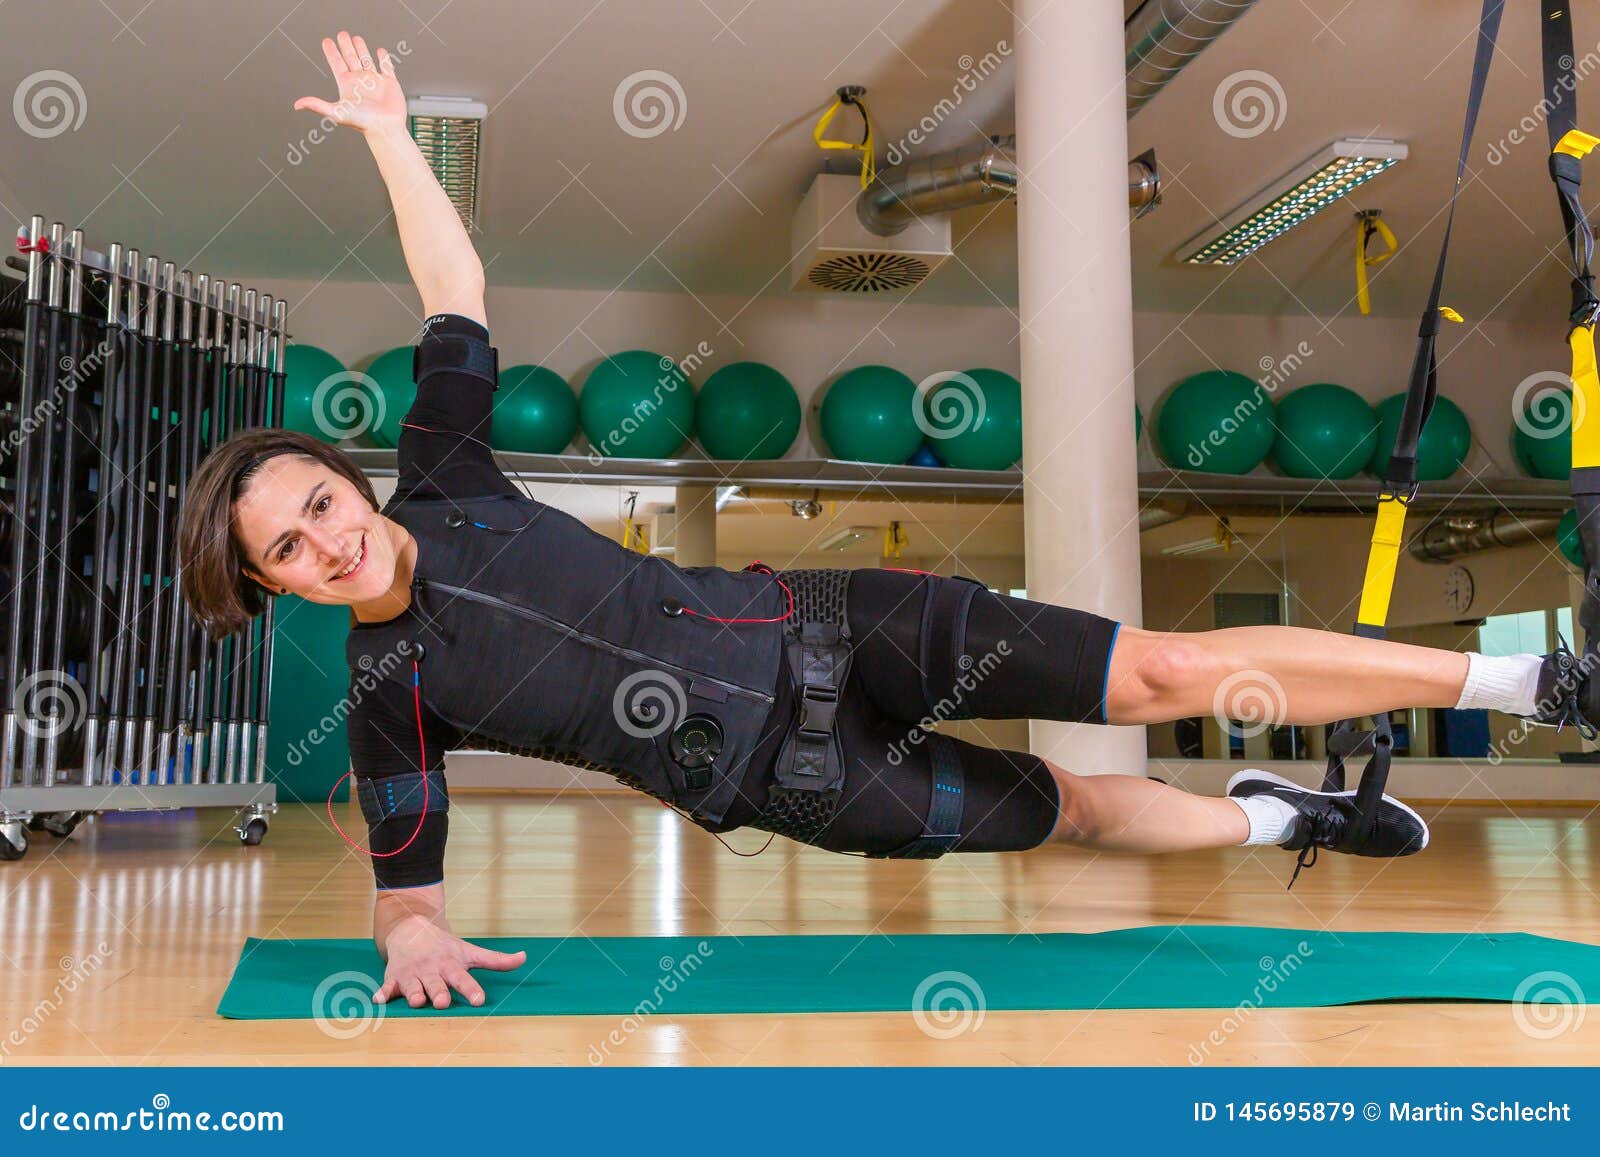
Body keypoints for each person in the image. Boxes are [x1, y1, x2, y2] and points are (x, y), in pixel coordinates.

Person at [178, 31, 1595, 1012]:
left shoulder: (446, 469)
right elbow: (405, 876)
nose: (327, 542)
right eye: (287, 551)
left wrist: (391, 140)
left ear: (350, 477)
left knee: (1166, 669)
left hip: (843, 625)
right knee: (1077, 813)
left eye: (319, 502)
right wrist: (411, 933)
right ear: (276, 587)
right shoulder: (384, 691)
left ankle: (1528, 678)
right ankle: (1276, 814)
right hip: (794, 780)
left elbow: (454, 286)